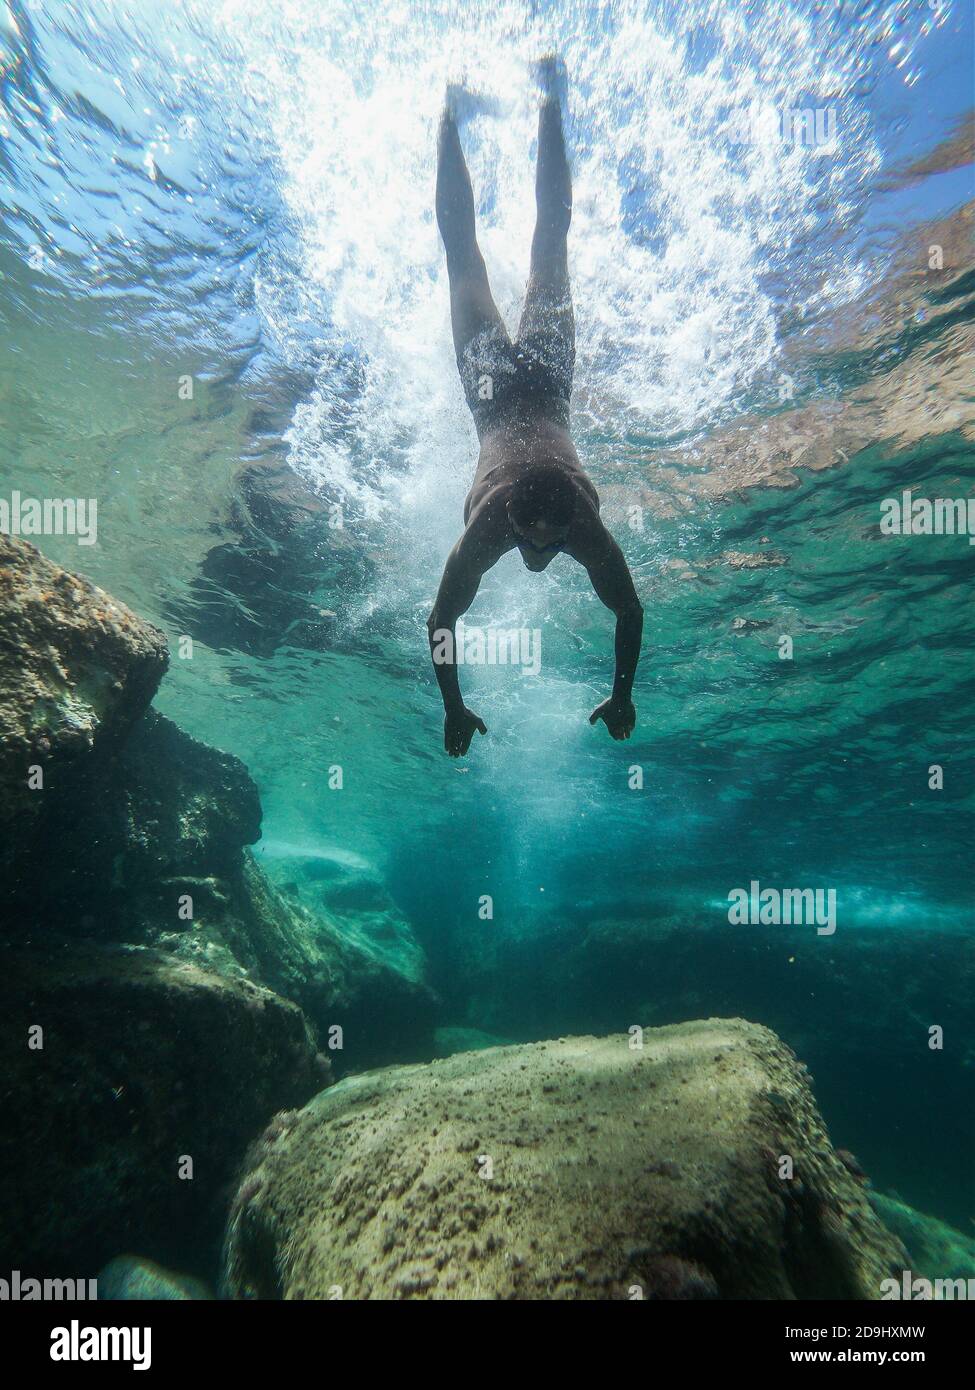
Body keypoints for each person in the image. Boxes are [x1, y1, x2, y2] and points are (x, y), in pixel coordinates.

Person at [428, 62, 643, 757]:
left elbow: (629, 609)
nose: (541, 551)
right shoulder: (491, 529)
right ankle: (474, 110)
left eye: (548, 540)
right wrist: (453, 706)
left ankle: (542, 100)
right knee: (513, 248)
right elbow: (439, 617)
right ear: (510, 515)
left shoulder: (581, 528)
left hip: (502, 380)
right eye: (532, 539)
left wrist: (623, 688)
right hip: (544, 379)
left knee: (504, 251)